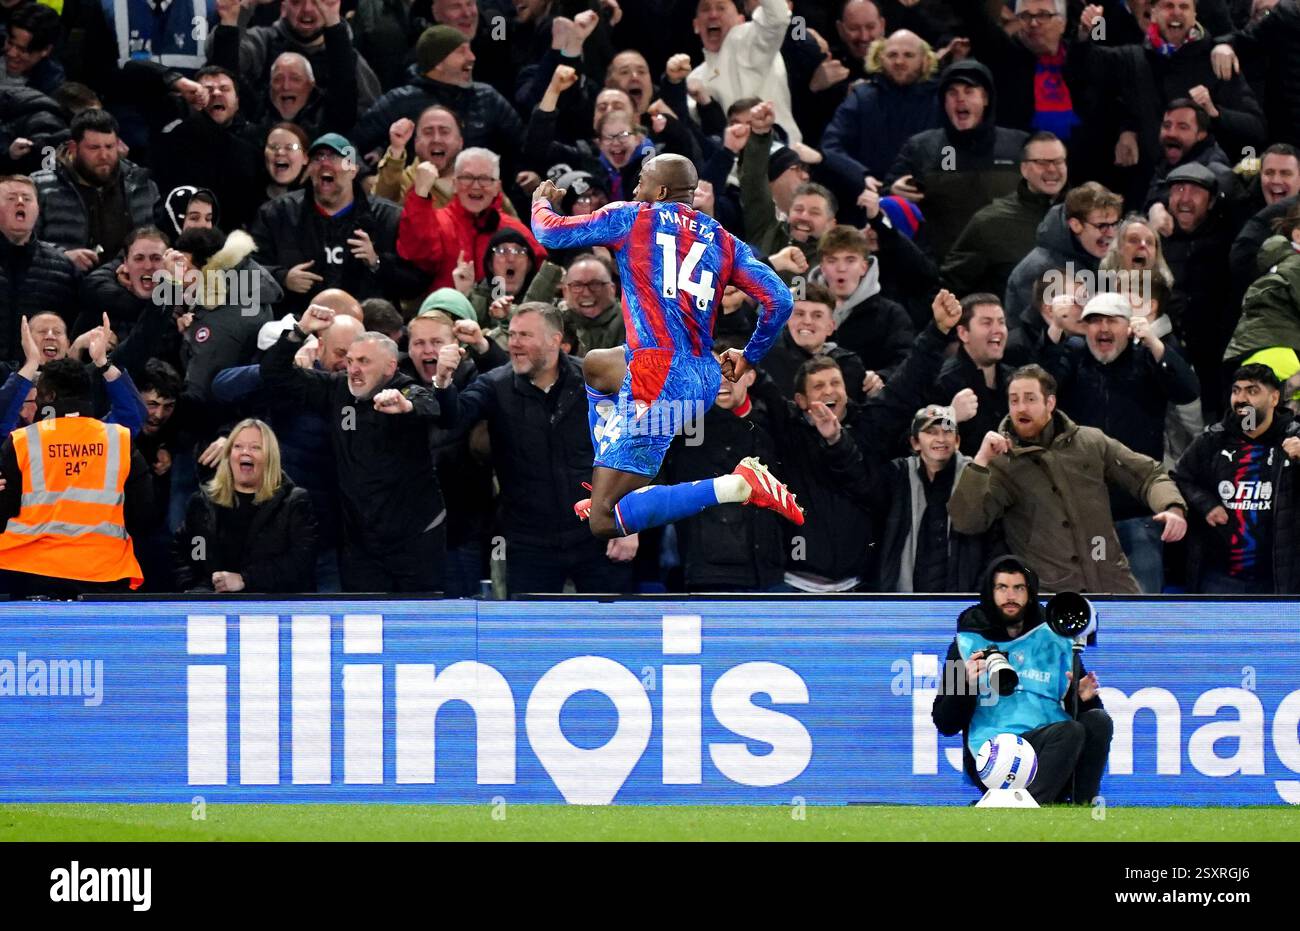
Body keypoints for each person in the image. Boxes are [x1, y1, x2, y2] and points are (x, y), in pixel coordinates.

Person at [529, 152, 805, 541]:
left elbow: (549, 233)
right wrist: (749, 355)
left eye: (641, 179)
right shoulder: (723, 240)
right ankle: (607, 479)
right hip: (701, 378)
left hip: (655, 381)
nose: (636, 186)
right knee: (595, 365)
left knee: (605, 521)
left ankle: (737, 485)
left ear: (659, 190)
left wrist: (541, 201)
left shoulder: (634, 216)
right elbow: (780, 299)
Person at [260, 304, 458, 592]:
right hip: (360, 546)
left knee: (417, 629)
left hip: (414, 541)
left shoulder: (404, 389)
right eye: (351, 360)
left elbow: (437, 408)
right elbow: (274, 376)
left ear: (390, 367)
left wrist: (407, 406)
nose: (353, 369)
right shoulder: (337, 389)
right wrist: (300, 330)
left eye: (364, 361)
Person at [948, 364, 1189, 593]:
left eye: (1030, 399)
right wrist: (979, 462)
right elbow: (967, 521)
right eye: (1014, 400)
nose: (1021, 408)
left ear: (1050, 402)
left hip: (1113, 584)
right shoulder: (1001, 461)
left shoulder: (1089, 442)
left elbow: (1149, 474)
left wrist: (1172, 507)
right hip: (1050, 596)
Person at [1042, 292, 1200, 592]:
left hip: (1138, 510)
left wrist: (1154, 342)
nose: (1103, 329)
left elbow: (1187, 391)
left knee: (1143, 607)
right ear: (1084, 327)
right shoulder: (1072, 358)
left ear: (1128, 327)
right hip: (1080, 513)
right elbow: (1041, 389)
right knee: (1082, 608)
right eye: (1095, 321)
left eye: (1111, 321)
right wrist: (1054, 330)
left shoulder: (1145, 359)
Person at [932, 554, 1114, 804]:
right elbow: (944, 722)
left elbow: (1082, 710)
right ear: (990, 591)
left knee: (1098, 720)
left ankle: (1081, 805)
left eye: (1019, 588)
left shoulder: (1055, 638)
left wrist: (1083, 699)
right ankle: (1022, 805)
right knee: (1069, 732)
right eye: (1002, 587)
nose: (1010, 596)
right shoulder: (964, 645)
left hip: (1051, 744)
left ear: (1030, 592)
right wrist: (965, 685)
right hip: (993, 749)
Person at [0, 357, 151, 597]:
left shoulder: (22, 441)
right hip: (104, 571)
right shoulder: (119, 440)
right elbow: (142, 513)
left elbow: (3, 507)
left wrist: (29, 365)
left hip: (29, 569)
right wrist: (104, 362)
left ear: (47, 395)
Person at [250, 132, 424, 317]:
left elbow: (415, 284)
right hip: (298, 327)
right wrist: (282, 278)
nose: (325, 163)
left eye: (335, 157)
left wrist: (377, 262)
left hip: (366, 331)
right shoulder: (277, 213)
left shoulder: (387, 217)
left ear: (354, 169)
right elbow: (246, 275)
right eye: (318, 158)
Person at [1172, 363, 1300, 594]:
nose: (1241, 399)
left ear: (1274, 398)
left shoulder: (1294, 438)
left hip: (1277, 576)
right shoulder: (1213, 440)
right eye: (1236, 390)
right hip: (1219, 575)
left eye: (1252, 391)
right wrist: (1206, 504)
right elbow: (1180, 477)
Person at [885, 59, 1030, 261]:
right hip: (942, 270)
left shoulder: (1019, 145)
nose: (960, 99)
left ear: (986, 98)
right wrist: (892, 192)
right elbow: (884, 200)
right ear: (944, 102)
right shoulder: (920, 147)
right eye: (952, 93)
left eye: (969, 91)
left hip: (1005, 266)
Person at [173, 418, 318, 593]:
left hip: (270, 608)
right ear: (228, 455)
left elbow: (300, 562)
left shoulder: (294, 502)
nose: (245, 453)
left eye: (255, 447)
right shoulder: (202, 502)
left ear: (270, 457)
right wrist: (195, 588)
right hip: (213, 608)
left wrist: (245, 580)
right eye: (238, 446)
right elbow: (187, 553)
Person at [874, 405, 1004, 592]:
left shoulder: (977, 477)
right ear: (915, 442)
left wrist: (978, 593)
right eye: (931, 432)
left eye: (947, 431)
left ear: (957, 441)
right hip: (907, 601)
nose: (941, 439)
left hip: (960, 600)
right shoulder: (898, 477)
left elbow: (994, 542)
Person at [397, 146, 545, 292]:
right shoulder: (435, 222)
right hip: (445, 312)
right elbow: (417, 257)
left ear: (496, 187)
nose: (475, 186)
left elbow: (544, 273)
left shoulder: (513, 230)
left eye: (485, 179)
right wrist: (420, 194)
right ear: (454, 185)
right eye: (467, 177)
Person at [944, 132, 1068, 300]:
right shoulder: (990, 222)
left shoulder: (1085, 215)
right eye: (1042, 162)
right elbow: (952, 288)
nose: (1052, 169)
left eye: (1059, 161)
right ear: (1024, 169)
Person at [31, 108, 159, 270]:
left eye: (109, 146)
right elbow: (20, 244)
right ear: (73, 148)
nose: (104, 155)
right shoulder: (41, 187)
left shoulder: (141, 184)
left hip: (126, 286)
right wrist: (62, 257)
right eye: (94, 148)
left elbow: (158, 242)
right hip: (62, 284)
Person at [1004, 181, 1124, 325]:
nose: (1111, 233)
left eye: (1115, 224)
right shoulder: (1038, 269)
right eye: (1102, 226)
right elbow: (1038, 334)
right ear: (1075, 225)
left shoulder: (1105, 258)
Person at [0, 174, 77, 369]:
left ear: (37, 209)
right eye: (10, 198)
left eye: (27, 199)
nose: (20, 202)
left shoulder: (62, 267)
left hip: (42, 382)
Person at [931, 294, 1012, 457]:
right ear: (963, 333)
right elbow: (925, 446)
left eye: (1001, 322)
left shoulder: (1014, 378)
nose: (998, 330)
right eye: (987, 323)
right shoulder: (942, 382)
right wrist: (950, 417)